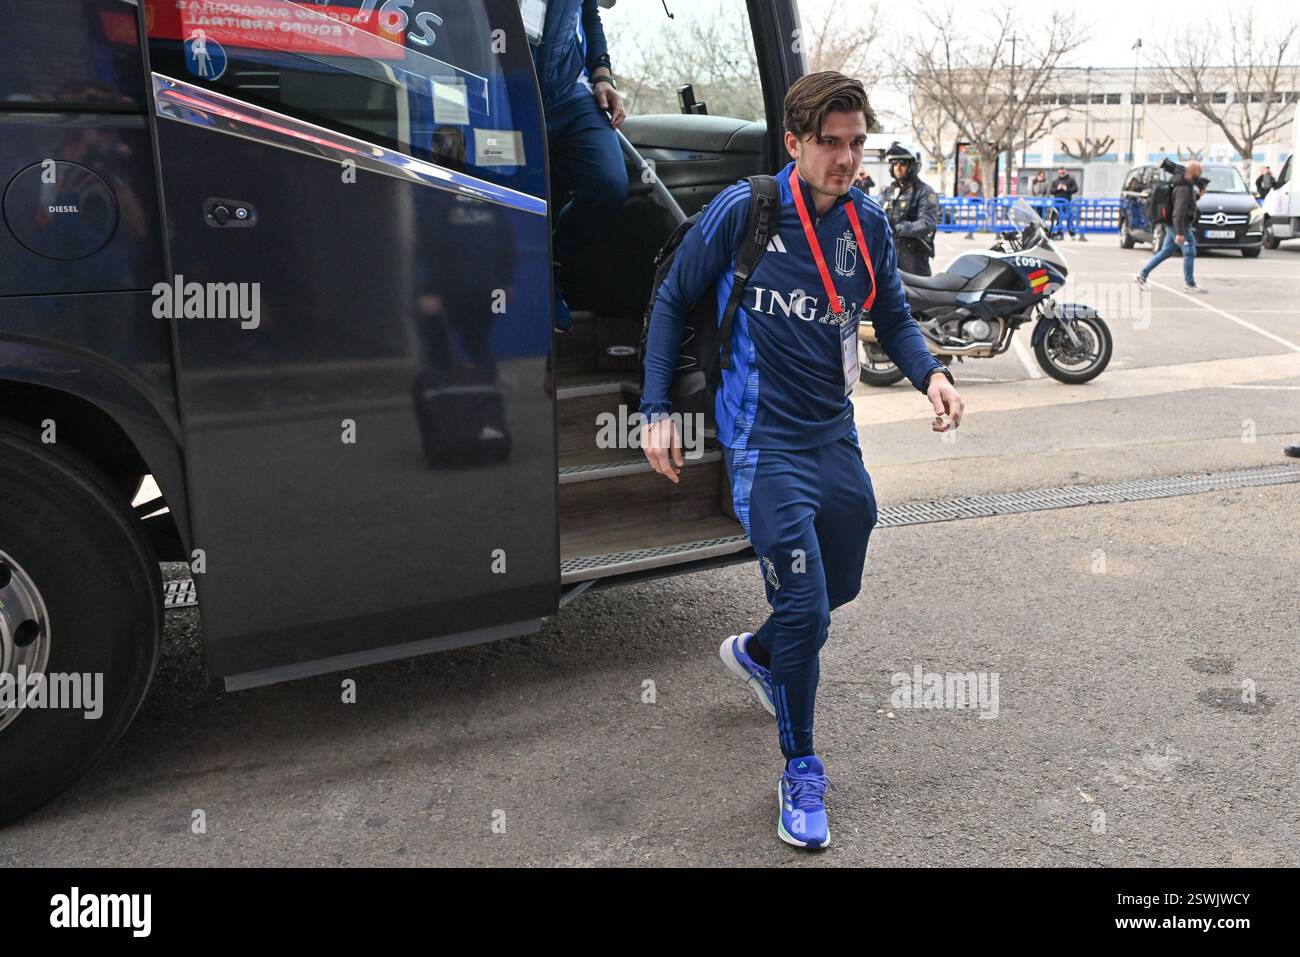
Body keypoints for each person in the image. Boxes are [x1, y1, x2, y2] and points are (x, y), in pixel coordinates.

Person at [639, 71, 964, 850]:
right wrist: (653, 412)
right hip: (762, 442)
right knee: (806, 608)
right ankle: (800, 767)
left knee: (841, 580)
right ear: (794, 143)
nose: (846, 159)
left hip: (832, 434)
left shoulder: (870, 225)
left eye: (856, 144)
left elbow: (890, 313)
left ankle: (758, 653)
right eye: (830, 143)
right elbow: (672, 301)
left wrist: (933, 374)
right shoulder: (746, 211)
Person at [530, 0, 628, 332]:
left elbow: (589, 14)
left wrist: (602, 75)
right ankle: (526, 290)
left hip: (568, 90)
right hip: (505, 81)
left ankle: (552, 261)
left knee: (609, 186)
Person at [1135, 160, 1207, 294]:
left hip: (1173, 224)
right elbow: (1179, 211)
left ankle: (1142, 275)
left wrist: (1197, 196)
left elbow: (1185, 203)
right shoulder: (1184, 188)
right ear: (1192, 172)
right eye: (1199, 172)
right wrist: (1180, 232)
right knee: (1190, 252)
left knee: (1166, 252)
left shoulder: (1183, 184)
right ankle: (1190, 283)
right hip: (1180, 225)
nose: (1200, 176)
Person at [878, 141, 940, 275]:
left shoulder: (925, 192)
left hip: (913, 259)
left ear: (913, 165)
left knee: (916, 295)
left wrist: (899, 228)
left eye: (902, 163)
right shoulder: (888, 191)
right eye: (894, 164)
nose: (898, 168)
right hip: (888, 254)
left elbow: (927, 223)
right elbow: (877, 216)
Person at [1050, 166, 1083, 239]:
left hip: (1067, 202)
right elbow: (1051, 191)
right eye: (1060, 172)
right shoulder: (1055, 181)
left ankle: (1072, 234)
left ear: (1065, 172)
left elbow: (1075, 189)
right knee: (1058, 219)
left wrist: (1066, 189)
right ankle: (1059, 234)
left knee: (1069, 218)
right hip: (1058, 203)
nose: (1061, 174)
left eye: (1063, 172)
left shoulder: (1071, 180)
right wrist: (1057, 189)